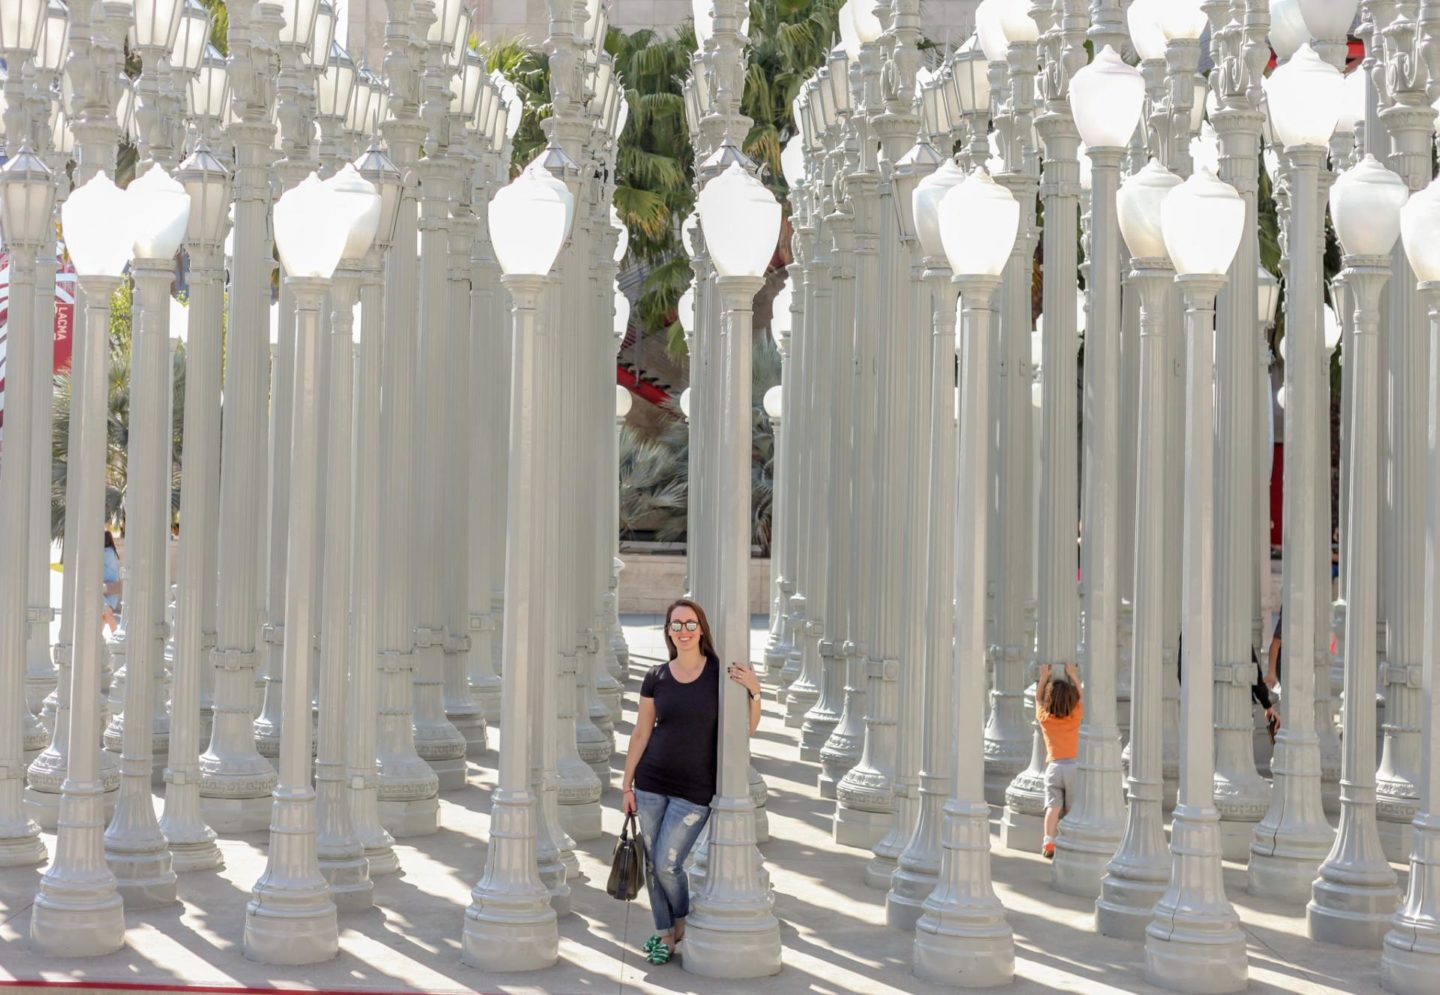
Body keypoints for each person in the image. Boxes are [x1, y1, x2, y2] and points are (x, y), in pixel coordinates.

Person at [620, 598, 761, 966]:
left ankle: (681, 920)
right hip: (651, 781)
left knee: (668, 862)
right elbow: (640, 732)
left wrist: (754, 691)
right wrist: (626, 785)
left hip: (695, 788)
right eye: (676, 625)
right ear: (668, 631)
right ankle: (665, 931)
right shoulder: (656, 676)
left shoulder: (719, 674)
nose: (683, 631)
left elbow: (744, 730)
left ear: (701, 629)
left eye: (690, 623)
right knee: (652, 862)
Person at [1038, 661, 1083, 860]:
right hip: (1073, 767)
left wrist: (1043, 678)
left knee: (1052, 807)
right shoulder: (1074, 717)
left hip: (1054, 767)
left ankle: (1048, 841)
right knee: (1072, 808)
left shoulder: (1045, 719)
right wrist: (1073, 674)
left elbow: (1037, 699)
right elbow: (1082, 697)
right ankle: (1070, 842)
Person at [102, 530, 122, 633]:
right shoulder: (111, 551)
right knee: (104, 615)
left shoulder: (107, 552)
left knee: (107, 613)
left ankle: (116, 635)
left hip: (108, 589)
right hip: (109, 589)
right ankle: (98, 638)